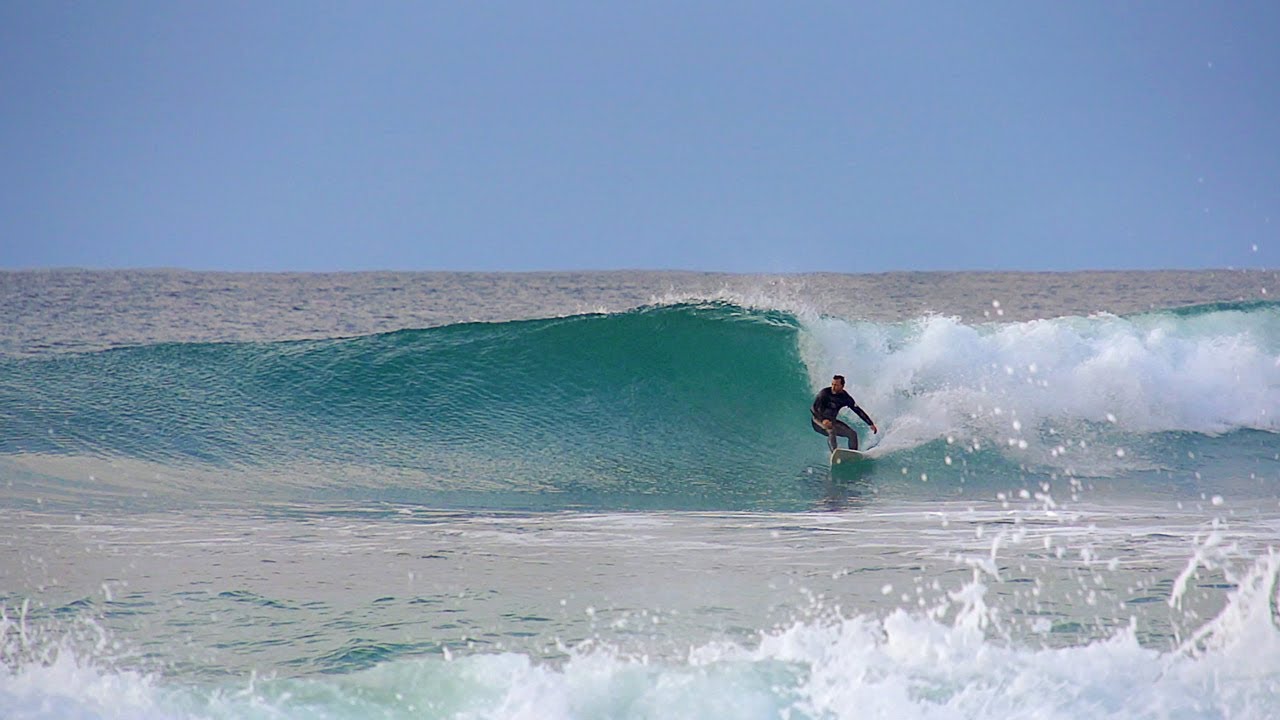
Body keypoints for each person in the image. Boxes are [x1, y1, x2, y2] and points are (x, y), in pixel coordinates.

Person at [811, 375, 878, 452]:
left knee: (852, 434)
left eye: (836, 385)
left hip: (831, 421)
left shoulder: (845, 397)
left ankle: (853, 454)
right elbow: (813, 408)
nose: (833, 387)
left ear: (842, 386)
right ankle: (834, 453)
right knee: (831, 430)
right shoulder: (824, 393)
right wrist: (823, 420)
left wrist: (870, 423)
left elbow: (857, 410)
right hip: (817, 421)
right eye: (832, 384)